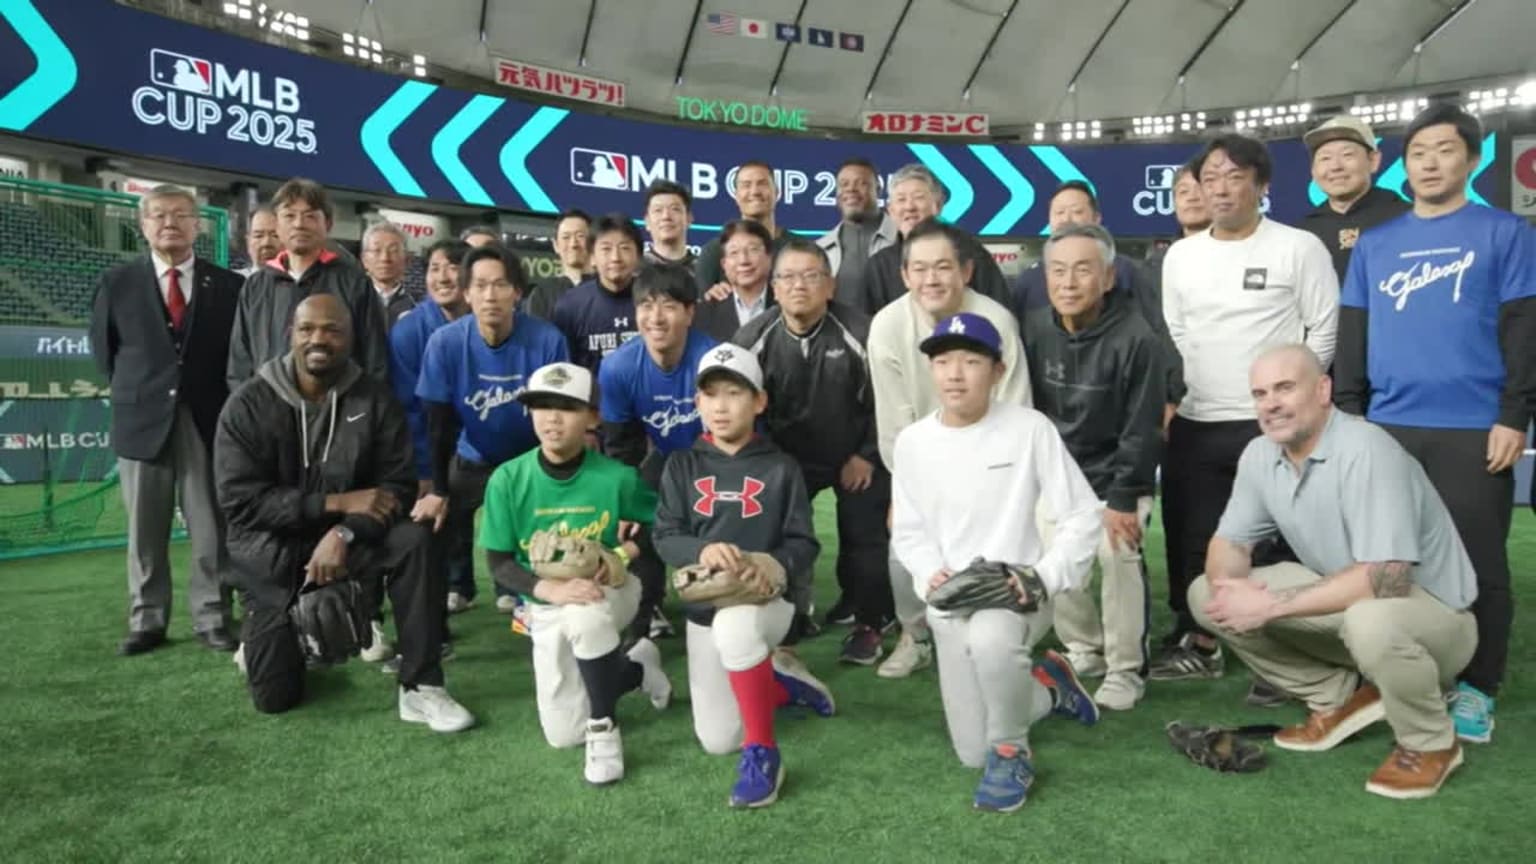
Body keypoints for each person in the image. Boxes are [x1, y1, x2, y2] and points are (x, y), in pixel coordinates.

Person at [1191, 344, 1478, 799]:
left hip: (1437, 620)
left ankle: (1431, 743)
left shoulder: (1368, 448)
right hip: (1357, 605)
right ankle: (1337, 698)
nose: (1271, 403)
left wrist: (1268, 606)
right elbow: (1231, 542)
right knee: (1206, 594)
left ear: (1323, 389)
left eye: (1285, 387)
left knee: (1371, 618)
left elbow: (1389, 576)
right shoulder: (1260, 454)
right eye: (1260, 393)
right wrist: (1229, 589)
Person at [1333, 104, 1535, 744]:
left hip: (1474, 426)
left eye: (1444, 150)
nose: (1429, 162)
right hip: (1389, 425)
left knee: (1480, 563)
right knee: (1388, 560)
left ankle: (1478, 686)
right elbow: (1354, 334)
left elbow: (1523, 328)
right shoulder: (1379, 242)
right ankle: (1402, 670)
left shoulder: (1505, 233)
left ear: (1471, 160)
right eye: (1418, 152)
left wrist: (1513, 414)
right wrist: (1351, 416)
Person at [213, 294, 474, 730]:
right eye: (308, 329)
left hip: (350, 541)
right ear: (290, 335)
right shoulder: (247, 405)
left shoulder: (373, 399)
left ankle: (421, 685)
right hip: (274, 552)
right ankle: (278, 633)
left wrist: (344, 532)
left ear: (350, 338)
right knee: (276, 699)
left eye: (332, 330)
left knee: (418, 538)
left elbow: (396, 486)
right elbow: (239, 502)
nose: (319, 339)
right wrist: (331, 504)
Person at [890, 311, 1104, 812]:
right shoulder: (914, 442)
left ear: (999, 369)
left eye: (970, 361)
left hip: (1017, 592)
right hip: (951, 598)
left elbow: (1082, 514)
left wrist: (1043, 576)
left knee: (992, 643)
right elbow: (909, 531)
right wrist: (927, 573)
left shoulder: (1030, 429)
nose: (955, 374)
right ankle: (1051, 688)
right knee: (969, 751)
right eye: (943, 361)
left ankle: (1013, 752)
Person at [1154, 134, 1339, 684]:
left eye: (1235, 177)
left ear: (1261, 185)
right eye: (1210, 178)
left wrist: (1290, 400)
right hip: (1200, 420)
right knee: (1196, 535)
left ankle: (1286, 649)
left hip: (1275, 428)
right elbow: (1178, 330)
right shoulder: (1181, 256)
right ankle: (1202, 639)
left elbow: (1323, 325)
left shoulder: (1298, 247)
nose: (1221, 189)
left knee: (1283, 540)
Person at [653, 344, 835, 809]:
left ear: (759, 401)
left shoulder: (780, 466)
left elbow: (804, 543)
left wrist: (770, 564)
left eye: (734, 393)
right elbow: (665, 536)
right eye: (710, 394)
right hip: (702, 606)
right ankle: (781, 683)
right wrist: (701, 550)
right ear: (697, 403)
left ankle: (764, 753)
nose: (720, 405)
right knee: (717, 738)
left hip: (764, 602)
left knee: (737, 626)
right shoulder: (682, 464)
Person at [478, 361, 672, 784]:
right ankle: (637, 667)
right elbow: (498, 562)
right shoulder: (508, 479)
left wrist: (623, 552)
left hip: (611, 592)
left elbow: (664, 527)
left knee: (587, 613)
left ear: (592, 417)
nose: (552, 417)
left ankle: (605, 728)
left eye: (566, 406)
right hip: (546, 604)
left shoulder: (618, 478)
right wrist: (545, 588)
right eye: (541, 405)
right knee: (564, 734)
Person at [867, 218, 1031, 679]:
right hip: (922, 465)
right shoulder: (887, 326)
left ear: (967, 272)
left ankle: (1000, 626)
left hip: (991, 465)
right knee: (904, 542)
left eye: (942, 267)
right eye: (919, 269)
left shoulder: (997, 321)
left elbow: (1014, 412)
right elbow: (894, 423)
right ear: (904, 276)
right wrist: (910, 494)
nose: (931, 279)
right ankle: (914, 635)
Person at [89, 184, 243, 656]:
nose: (170, 222)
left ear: (198, 224)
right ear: (143, 224)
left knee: (211, 527)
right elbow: (104, 355)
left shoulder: (230, 286)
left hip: (207, 420)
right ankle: (147, 621)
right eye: (159, 215)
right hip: (141, 422)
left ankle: (214, 618)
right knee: (144, 531)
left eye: (181, 214)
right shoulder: (117, 283)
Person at [1024, 223, 1165, 710]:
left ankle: (1127, 666)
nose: (1068, 282)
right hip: (1061, 476)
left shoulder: (1137, 338)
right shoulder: (1036, 328)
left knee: (1115, 551)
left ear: (1107, 278)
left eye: (1082, 270)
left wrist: (1124, 499)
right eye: (1057, 271)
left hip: (1118, 477)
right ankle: (1084, 648)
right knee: (1054, 549)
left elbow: (1142, 427)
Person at [734, 237, 893, 664]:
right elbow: (736, 407)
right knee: (780, 533)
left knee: (865, 533)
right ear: (774, 286)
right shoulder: (753, 338)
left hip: (853, 452)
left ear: (831, 285)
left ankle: (870, 621)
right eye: (787, 276)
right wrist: (766, 464)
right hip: (785, 458)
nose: (798, 285)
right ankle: (790, 613)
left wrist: (867, 453)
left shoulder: (863, 332)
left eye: (811, 276)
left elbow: (889, 402)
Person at [417, 245, 569, 614]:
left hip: (530, 458)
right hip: (474, 453)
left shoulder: (548, 340)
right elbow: (437, 425)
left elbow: (560, 417)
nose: (490, 295)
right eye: (480, 285)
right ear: (466, 292)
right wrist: (437, 489)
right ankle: (458, 586)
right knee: (440, 514)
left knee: (545, 526)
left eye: (500, 285)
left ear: (517, 292)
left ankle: (522, 589)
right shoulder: (446, 342)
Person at [598, 262, 717, 639]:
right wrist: (626, 502)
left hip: (716, 459)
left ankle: (717, 597)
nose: (656, 317)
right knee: (632, 519)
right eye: (646, 306)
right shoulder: (618, 366)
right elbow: (622, 446)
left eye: (668, 305)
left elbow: (737, 440)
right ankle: (646, 608)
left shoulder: (712, 361)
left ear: (689, 312)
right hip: (668, 455)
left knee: (715, 519)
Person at [1011, 181, 1182, 430]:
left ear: (1097, 218)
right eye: (1059, 212)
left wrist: (1169, 396)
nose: (1067, 219)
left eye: (1077, 211)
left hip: (1114, 409)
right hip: (1053, 410)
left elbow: (1157, 334)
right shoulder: (1029, 279)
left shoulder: (1126, 271)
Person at [226, 178, 388, 388]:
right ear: (278, 224)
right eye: (289, 216)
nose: (299, 224)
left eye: (310, 216)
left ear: (327, 224)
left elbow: (375, 361)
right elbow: (239, 362)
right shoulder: (256, 285)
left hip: (336, 411)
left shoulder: (354, 283)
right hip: (269, 412)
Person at [857, 164, 1010, 316]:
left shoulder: (971, 254)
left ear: (938, 205)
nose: (909, 207)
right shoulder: (879, 266)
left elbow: (1000, 314)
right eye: (901, 199)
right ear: (890, 211)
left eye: (918, 197)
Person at [1299, 116, 1410, 285]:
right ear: (1313, 170)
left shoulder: (1406, 218)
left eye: (1347, 154)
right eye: (1325, 158)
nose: (1335, 167)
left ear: (1373, 160)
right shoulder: (1304, 233)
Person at [552, 214, 643, 373]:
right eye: (606, 249)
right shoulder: (570, 306)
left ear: (638, 256)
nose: (615, 258)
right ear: (592, 257)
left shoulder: (652, 302)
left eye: (625, 248)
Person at [815, 157, 899, 308]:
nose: (851, 189)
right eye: (844, 184)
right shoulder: (820, 249)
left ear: (878, 190)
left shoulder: (903, 238)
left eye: (861, 183)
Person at [694, 161, 789, 293]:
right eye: (746, 185)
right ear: (736, 196)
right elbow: (700, 305)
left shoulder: (798, 247)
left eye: (762, 183)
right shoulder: (715, 251)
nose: (755, 191)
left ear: (777, 192)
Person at [692, 219, 775, 342]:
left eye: (753, 249)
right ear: (724, 264)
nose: (743, 260)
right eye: (734, 253)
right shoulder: (704, 314)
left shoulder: (786, 306)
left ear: (769, 258)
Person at [525, 210, 593, 320]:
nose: (573, 244)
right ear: (555, 245)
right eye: (566, 237)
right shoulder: (542, 294)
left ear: (592, 242)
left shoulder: (607, 287)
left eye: (580, 236)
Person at [361, 221, 419, 328]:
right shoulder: (353, 301)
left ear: (407, 260)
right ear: (364, 260)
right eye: (377, 250)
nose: (385, 258)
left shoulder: (418, 306)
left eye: (394, 251)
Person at [643, 180, 697, 268]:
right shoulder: (633, 271)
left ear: (689, 219)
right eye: (658, 210)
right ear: (647, 222)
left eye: (675, 209)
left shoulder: (704, 271)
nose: (666, 216)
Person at [237, 206, 281, 277]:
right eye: (258, 236)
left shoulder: (299, 283)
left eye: (275, 235)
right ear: (248, 242)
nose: (266, 243)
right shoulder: (235, 282)